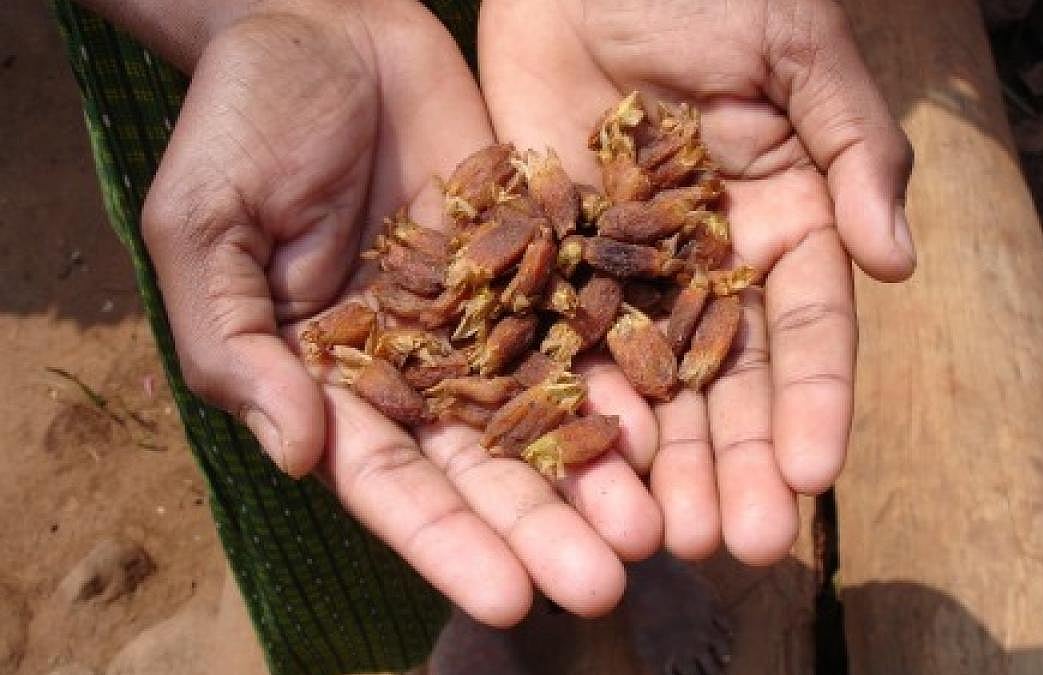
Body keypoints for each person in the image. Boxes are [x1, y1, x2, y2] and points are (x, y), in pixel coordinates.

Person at [56, 0, 914, 671]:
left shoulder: (590, 242)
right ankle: (487, 605)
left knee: (630, 441)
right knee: (347, 448)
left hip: (553, 36)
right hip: (274, 65)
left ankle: (641, 556)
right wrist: (257, 14)